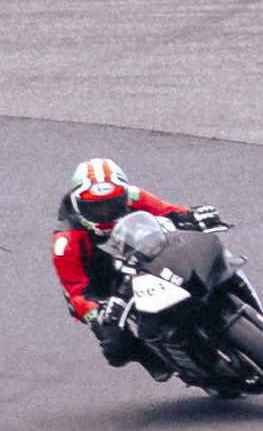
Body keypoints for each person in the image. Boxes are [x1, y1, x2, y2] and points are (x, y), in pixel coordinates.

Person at [51, 155, 205, 365]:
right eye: (95, 207)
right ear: (78, 205)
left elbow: (168, 211)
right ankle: (157, 361)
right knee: (115, 349)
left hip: (140, 258)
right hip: (100, 283)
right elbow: (75, 290)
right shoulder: (65, 242)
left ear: (123, 196)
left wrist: (194, 215)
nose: (104, 213)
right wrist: (97, 311)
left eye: (111, 204)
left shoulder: (134, 197)